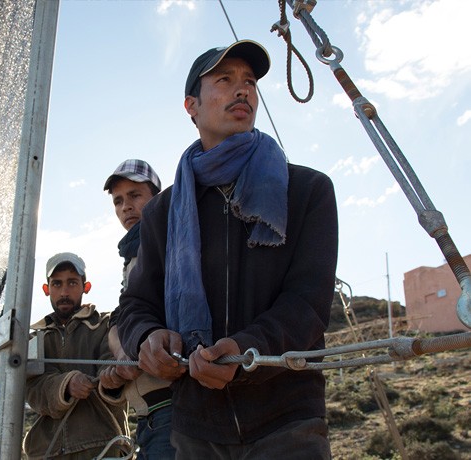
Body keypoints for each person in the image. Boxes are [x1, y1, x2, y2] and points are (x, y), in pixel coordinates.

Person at [116, 39, 338, 459]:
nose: (243, 90)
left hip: (288, 420)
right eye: (224, 80)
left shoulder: (307, 191)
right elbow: (135, 305)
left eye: (250, 82)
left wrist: (246, 350)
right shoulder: (163, 212)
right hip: (196, 427)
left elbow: (308, 304)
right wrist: (147, 337)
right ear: (191, 107)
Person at [99, 159, 177, 459]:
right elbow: (121, 319)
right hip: (149, 411)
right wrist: (122, 357)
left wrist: (126, 348)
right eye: (118, 201)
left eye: (135, 195)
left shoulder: (168, 244)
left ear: (156, 198)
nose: (125, 207)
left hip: (174, 404)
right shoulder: (132, 255)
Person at [23, 252, 129, 459]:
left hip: (103, 446)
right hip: (46, 452)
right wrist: (66, 384)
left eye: (72, 283)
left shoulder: (107, 325)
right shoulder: (34, 339)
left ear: (85, 287)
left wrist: (112, 379)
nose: (64, 292)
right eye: (57, 284)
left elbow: (112, 366)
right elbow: (33, 390)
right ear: (47, 289)